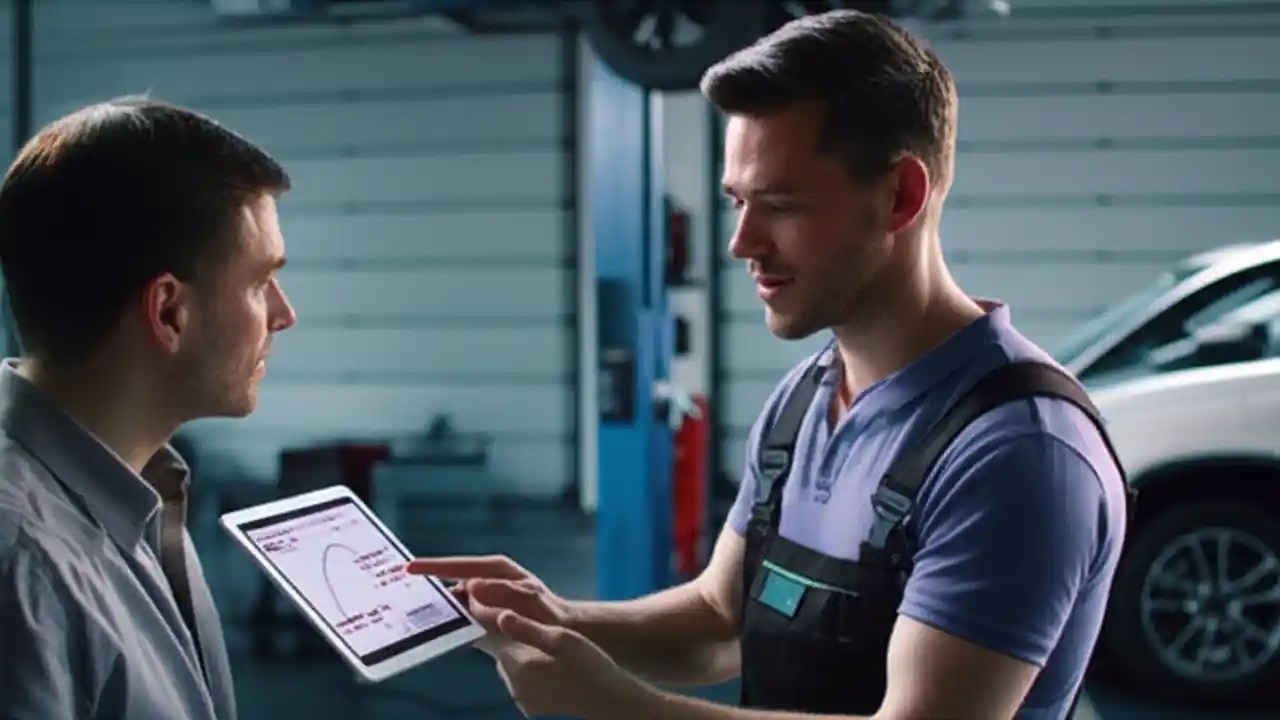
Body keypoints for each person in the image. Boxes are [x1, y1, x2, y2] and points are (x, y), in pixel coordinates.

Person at [409, 8, 1133, 720]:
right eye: (737, 202)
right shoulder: (807, 397)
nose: (742, 243)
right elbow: (721, 620)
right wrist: (560, 617)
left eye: (781, 204)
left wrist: (620, 711)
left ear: (901, 197)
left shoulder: (1017, 455)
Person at [0, 97, 296, 719]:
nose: (282, 314)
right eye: (258, 281)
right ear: (168, 311)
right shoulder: (24, 575)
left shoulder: (141, 491)